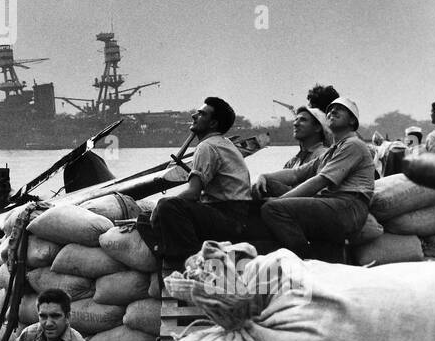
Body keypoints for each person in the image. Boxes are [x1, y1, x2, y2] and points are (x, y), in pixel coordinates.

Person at [139, 96, 254, 270]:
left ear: (213, 124)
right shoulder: (224, 143)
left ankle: (185, 263)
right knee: (144, 218)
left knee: (166, 206)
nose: (194, 116)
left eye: (201, 114)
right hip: (236, 216)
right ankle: (167, 252)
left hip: (228, 217)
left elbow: (193, 193)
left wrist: (161, 206)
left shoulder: (207, 146)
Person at [256, 97, 375, 263]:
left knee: (273, 209)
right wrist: (264, 177)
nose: (332, 111)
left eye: (340, 109)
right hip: (333, 204)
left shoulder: (353, 145)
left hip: (349, 207)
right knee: (265, 188)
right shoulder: (331, 151)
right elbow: (296, 174)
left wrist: (280, 201)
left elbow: (320, 181)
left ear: (352, 121)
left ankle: (306, 261)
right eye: (330, 109)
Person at [8, 287, 95, 341]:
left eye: (55, 316)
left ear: (67, 317)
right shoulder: (28, 335)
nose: (48, 323)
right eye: (43, 316)